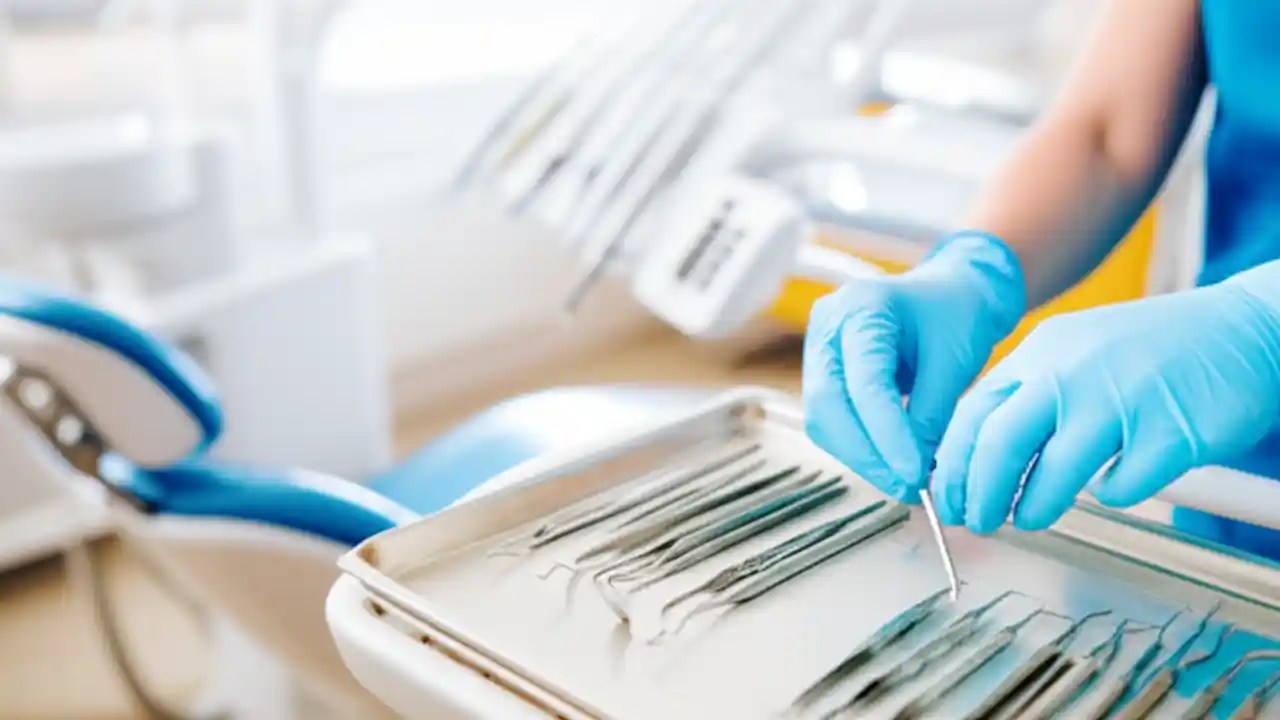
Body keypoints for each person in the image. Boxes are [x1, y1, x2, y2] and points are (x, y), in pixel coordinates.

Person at [802, 0, 1280, 557]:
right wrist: (975, 267)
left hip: (1227, 387)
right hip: (1232, 494)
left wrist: (1263, 323)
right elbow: (1107, 131)